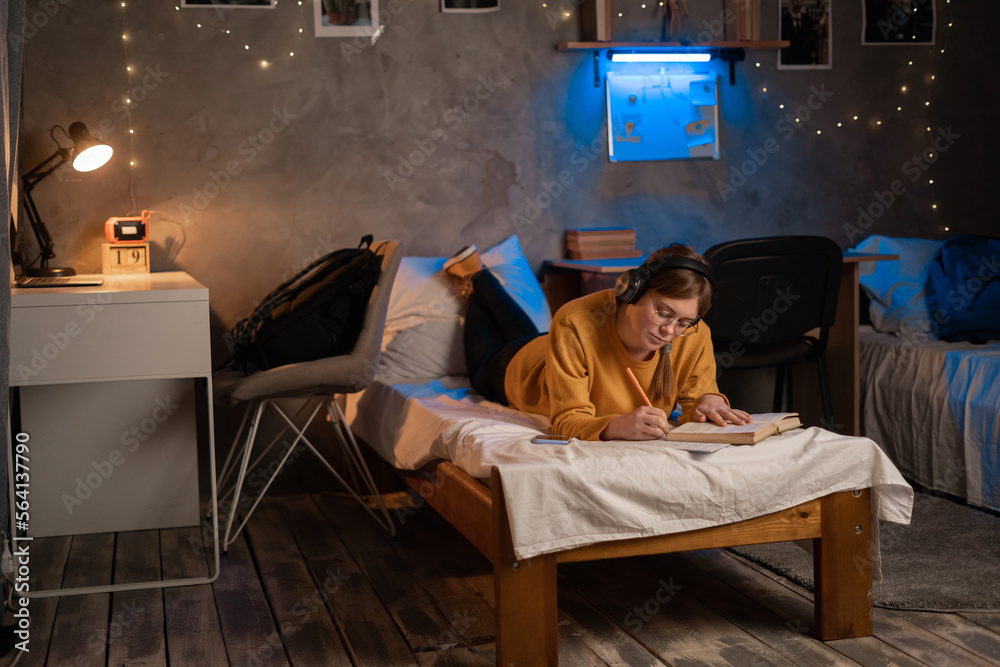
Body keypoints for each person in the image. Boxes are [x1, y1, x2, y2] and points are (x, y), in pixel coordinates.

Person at [444, 243, 752, 442]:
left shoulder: (694, 333)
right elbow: (566, 421)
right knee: (483, 362)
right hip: (520, 367)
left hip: (552, 344)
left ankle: (478, 277)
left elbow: (697, 399)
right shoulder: (575, 321)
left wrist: (710, 402)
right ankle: (474, 281)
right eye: (662, 312)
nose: (670, 331)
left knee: (522, 329)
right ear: (631, 291)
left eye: (684, 322)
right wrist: (616, 426)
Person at [780, 0, 816, 65]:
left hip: (805, 58)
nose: (798, 4)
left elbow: (810, 38)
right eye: (796, 1)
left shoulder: (808, 20)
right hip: (790, 58)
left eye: (800, 1)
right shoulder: (783, 20)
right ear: (791, 2)